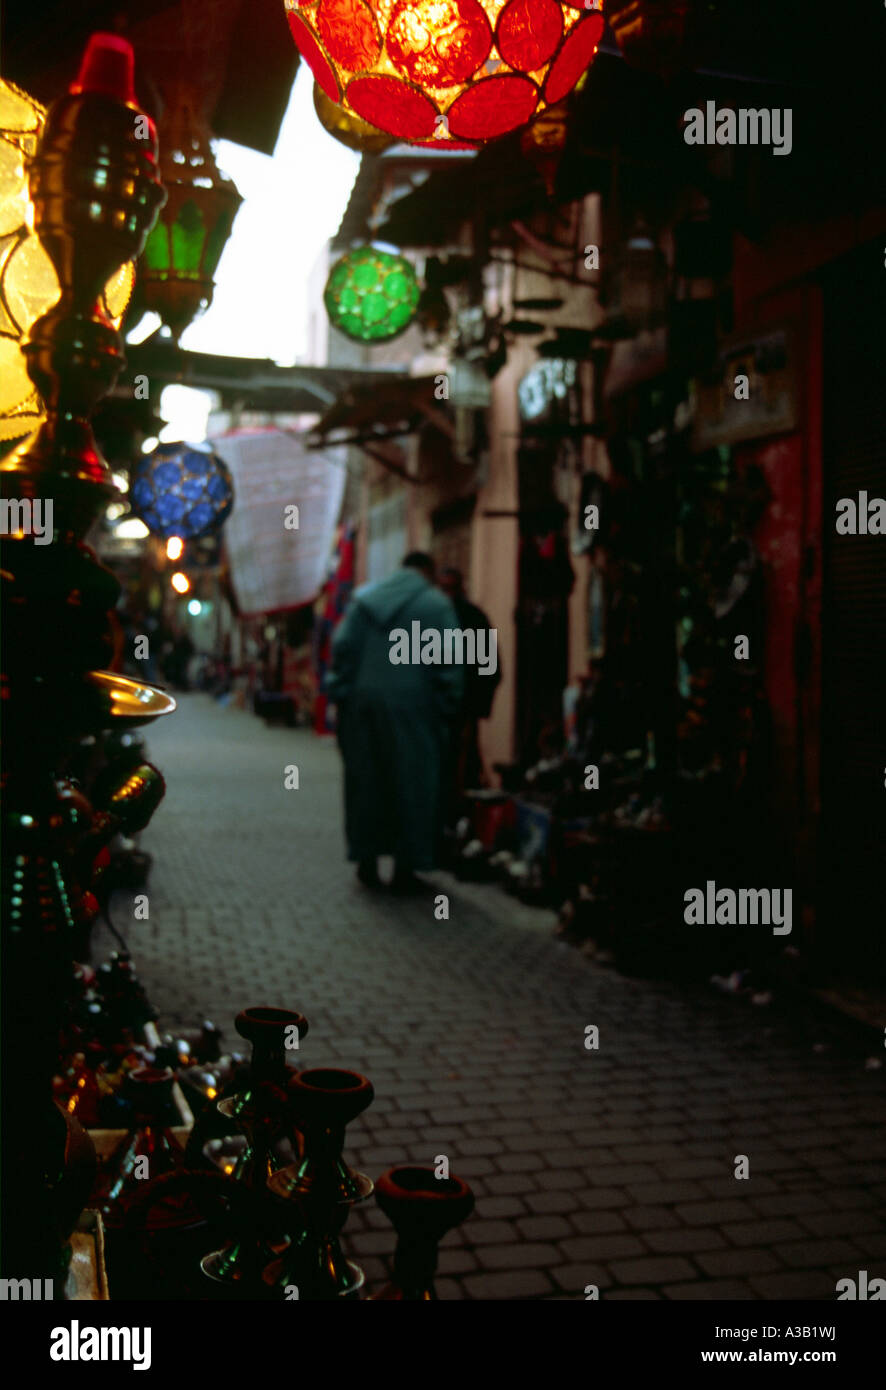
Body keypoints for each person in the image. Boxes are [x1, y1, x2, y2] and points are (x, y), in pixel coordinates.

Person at [326, 552, 463, 892]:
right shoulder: (436, 606)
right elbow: (449, 662)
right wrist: (448, 707)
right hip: (416, 709)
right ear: (428, 573)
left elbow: (342, 648)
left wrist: (342, 694)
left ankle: (366, 859)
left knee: (366, 783)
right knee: (413, 785)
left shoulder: (364, 601)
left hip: (363, 706)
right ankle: (407, 866)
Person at [438, 567, 501, 821]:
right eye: (443, 589)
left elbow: (491, 666)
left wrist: (476, 707)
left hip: (462, 713)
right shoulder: (425, 620)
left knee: (463, 770)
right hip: (433, 715)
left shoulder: (473, 618)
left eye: (451, 588)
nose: (448, 595)